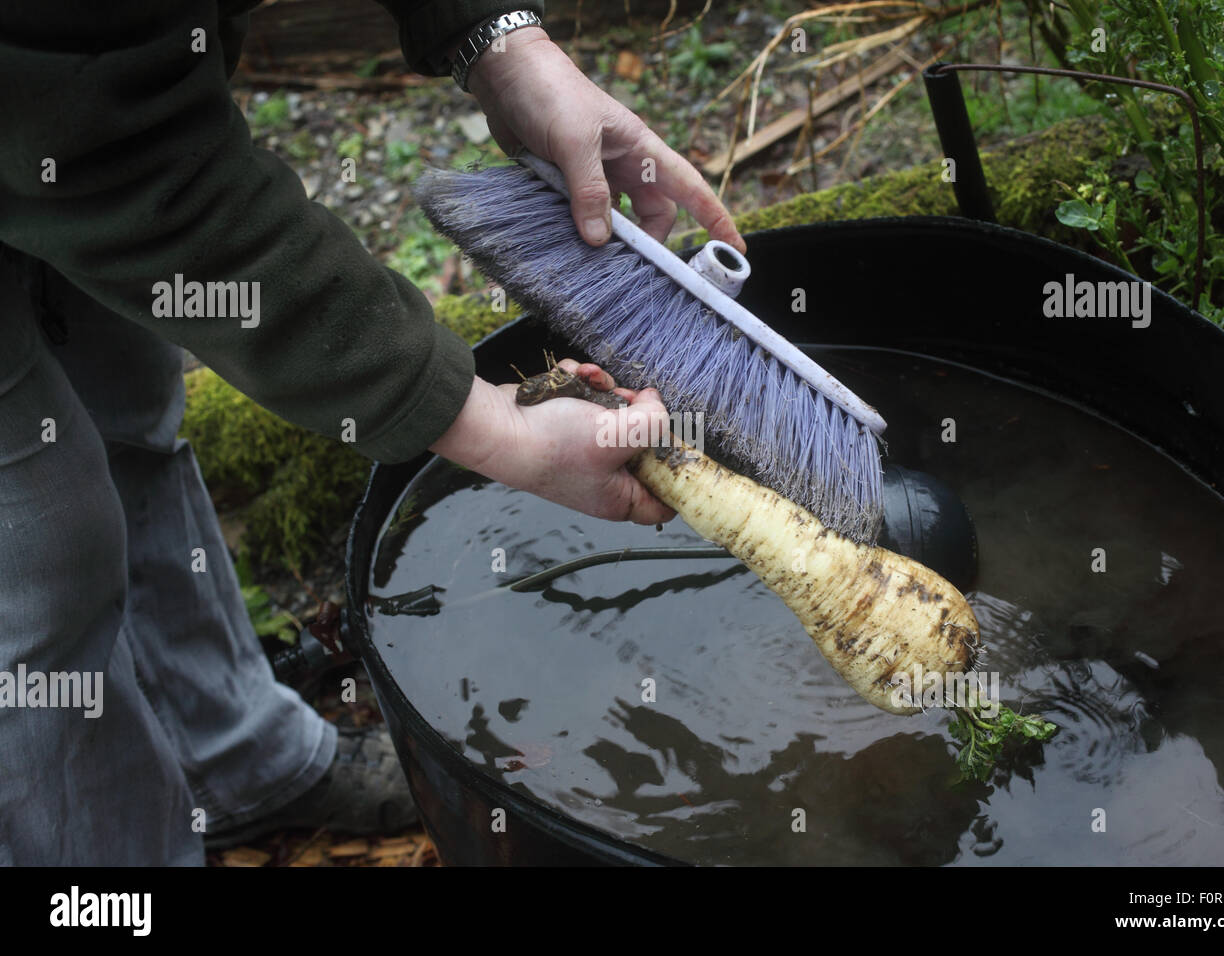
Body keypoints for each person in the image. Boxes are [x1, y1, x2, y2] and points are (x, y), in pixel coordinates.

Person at [0, 2, 743, 864]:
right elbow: (119, 161)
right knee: (37, 554)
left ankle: (237, 766)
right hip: (55, 108)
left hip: (58, 99)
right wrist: (490, 425)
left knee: (125, 404)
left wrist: (499, 41)